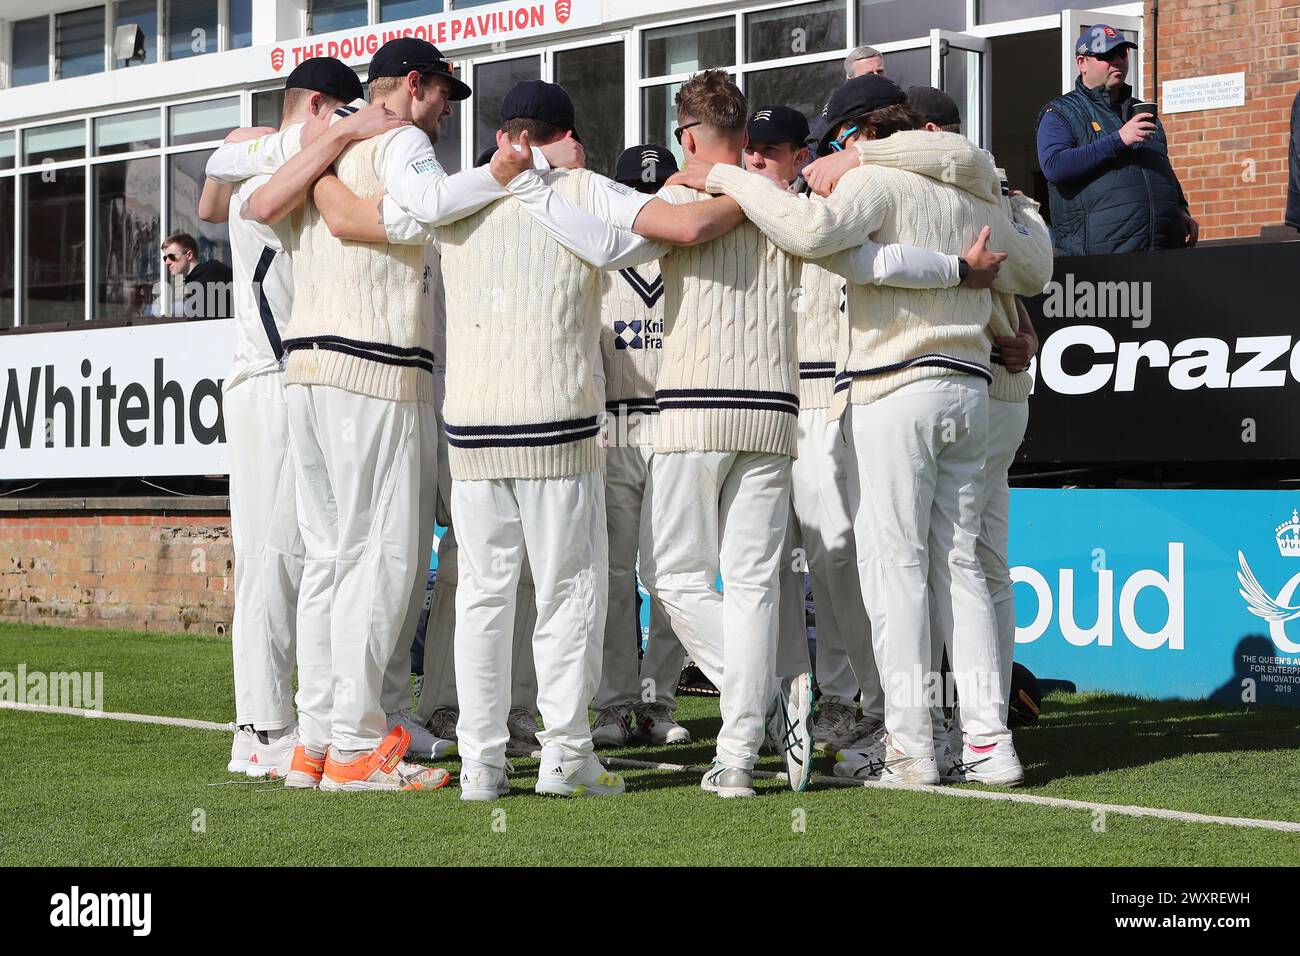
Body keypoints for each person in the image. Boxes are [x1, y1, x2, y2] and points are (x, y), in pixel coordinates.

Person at [683, 73, 1054, 787]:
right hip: (970, 388)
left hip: (896, 384)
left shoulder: (875, 180)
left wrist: (726, 171)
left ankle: (914, 747)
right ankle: (988, 744)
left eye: (843, 141)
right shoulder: (970, 184)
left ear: (862, 136)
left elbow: (810, 230)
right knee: (963, 568)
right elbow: (1026, 264)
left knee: (897, 572)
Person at [441, 78, 739, 800]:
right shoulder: (579, 186)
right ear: (566, 136)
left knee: (484, 596)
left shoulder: (458, 194)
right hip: (557, 426)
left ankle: (481, 764)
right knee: (568, 596)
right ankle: (565, 756)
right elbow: (682, 227)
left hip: (472, 431)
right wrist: (728, 181)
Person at [199, 58, 417, 784]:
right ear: (319, 106)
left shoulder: (276, 150)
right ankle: (259, 728)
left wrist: (304, 139)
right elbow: (241, 182)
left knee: (307, 557)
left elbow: (209, 199)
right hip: (267, 375)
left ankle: (302, 729)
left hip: (288, 377)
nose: (359, 128)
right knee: (274, 561)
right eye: (346, 113)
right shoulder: (284, 155)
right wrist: (332, 134)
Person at [590, 143, 690, 749]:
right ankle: (615, 705)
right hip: (615, 423)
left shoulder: (690, 247)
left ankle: (658, 701)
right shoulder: (598, 256)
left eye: (657, 191)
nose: (647, 201)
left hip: (677, 425)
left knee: (674, 573)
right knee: (612, 575)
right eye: (635, 192)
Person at [1035, 24, 1197, 254]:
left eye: (1121, 53)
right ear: (1082, 63)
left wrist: (1180, 209)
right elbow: (1055, 167)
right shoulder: (1061, 112)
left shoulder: (1140, 111)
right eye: (1106, 55)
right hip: (1101, 259)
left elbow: (1162, 168)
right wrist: (1119, 139)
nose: (1117, 61)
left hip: (1162, 249)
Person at [162, 232, 232, 319]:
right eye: (165, 258)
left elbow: (244, 293)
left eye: (171, 257)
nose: (167, 262)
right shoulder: (188, 286)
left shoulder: (212, 269)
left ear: (189, 255)